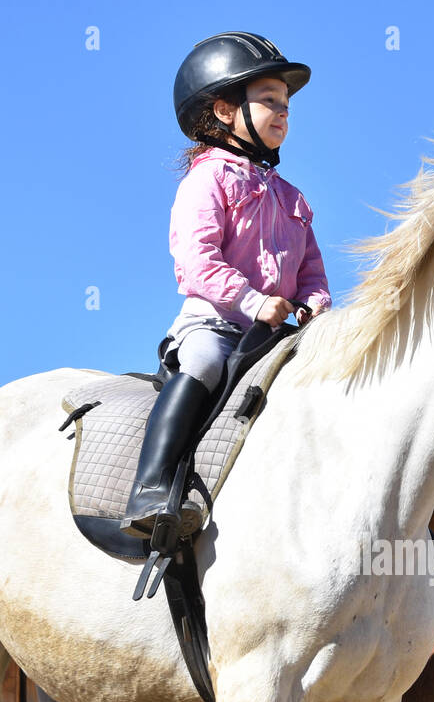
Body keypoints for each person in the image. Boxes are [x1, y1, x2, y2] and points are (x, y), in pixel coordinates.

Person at [121, 31, 332, 540]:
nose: (283, 113)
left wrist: (314, 305)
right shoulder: (206, 180)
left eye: (286, 105)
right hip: (216, 325)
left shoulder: (293, 197)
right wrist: (255, 301)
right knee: (204, 363)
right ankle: (150, 488)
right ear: (222, 109)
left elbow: (312, 272)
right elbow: (197, 261)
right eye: (269, 101)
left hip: (278, 335)